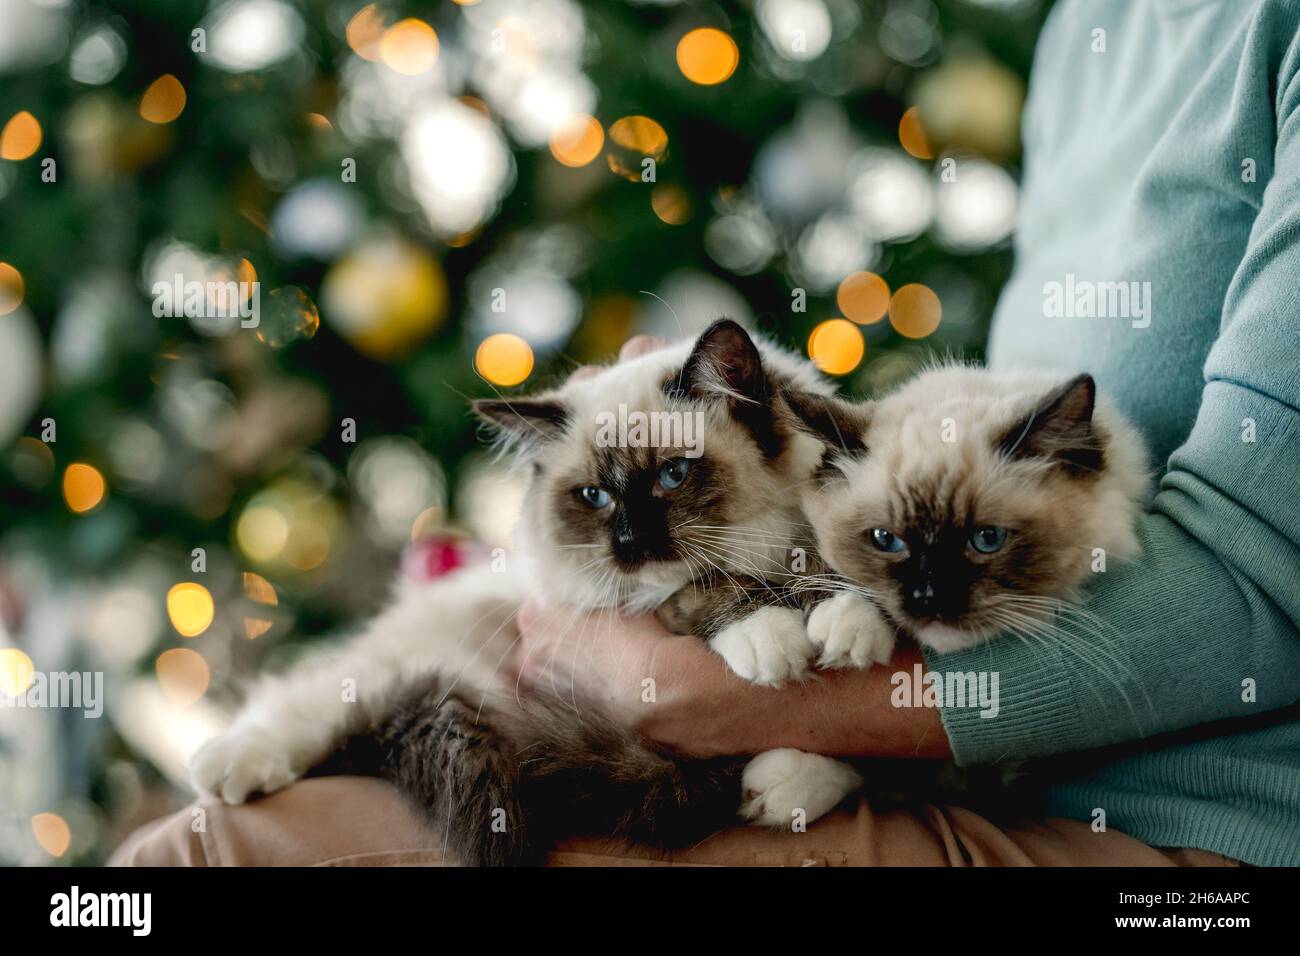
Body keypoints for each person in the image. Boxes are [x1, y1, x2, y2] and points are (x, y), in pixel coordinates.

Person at [112, 0, 1300, 867]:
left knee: (211, 856)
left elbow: (1264, 581)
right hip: (984, 763)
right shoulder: (1080, 34)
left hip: (1187, 834)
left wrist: (766, 709)